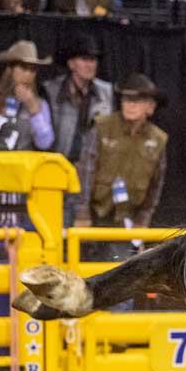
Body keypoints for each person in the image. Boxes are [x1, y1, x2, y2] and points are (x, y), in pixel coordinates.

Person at [75, 74, 168, 267]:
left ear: (150, 107)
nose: (130, 104)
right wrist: (82, 213)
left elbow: (155, 185)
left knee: (119, 271)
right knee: (82, 270)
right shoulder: (102, 126)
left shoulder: (158, 139)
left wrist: (143, 219)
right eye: (127, 99)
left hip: (127, 217)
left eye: (137, 100)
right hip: (94, 211)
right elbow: (85, 171)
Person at [45, 34, 113, 223]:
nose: (90, 65)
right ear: (71, 63)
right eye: (84, 59)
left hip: (92, 175)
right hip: (58, 170)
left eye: (93, 60)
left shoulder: (107, 93)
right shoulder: (51, 90)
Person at [0, 40, 54, 151]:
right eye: (24, 68)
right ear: (10, 70)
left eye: (32, 70)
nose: (28, 75)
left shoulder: (40, 105)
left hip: (24, 164)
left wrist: (34, 110)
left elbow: (45, 143)